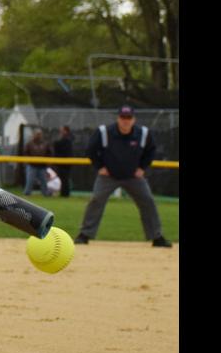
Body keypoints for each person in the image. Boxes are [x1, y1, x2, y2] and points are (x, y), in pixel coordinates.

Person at [74, 106, 172, 249]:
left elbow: (151, 151)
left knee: (148, 201)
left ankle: (156, 236)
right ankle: (84, 235)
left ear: (133, 119)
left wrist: (142, 168)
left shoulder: (143, 133)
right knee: (96, 200)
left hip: (133, 176)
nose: (125, 121)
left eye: (128, 118)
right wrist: (99, 166)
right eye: (123, 117)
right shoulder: (104, 132)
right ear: (118, 118)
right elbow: (90, 150)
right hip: (109, 176)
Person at [22, 129, 52, 196]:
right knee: (30, 181)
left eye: (40, 134)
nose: (38, 135)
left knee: (44, 181)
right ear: (34, 135)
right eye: (37, 134)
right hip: (32, 165)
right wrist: (28, 160)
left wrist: (48, 161)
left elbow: (49, 152)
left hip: (42, 165)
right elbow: (25, 152)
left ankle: (45, 193)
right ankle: (27, 193)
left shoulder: (45, 143)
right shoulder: (29, 143)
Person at [52, 125, 76, 197]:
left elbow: (60, 147)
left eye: (62, 130)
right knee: (63, 179)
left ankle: (65, 194)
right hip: (61, 162)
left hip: (65, 163)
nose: (61, 131)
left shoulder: (68, 139)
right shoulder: (63, 139)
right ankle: (64, 193)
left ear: (66, 131)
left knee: (65, 179)